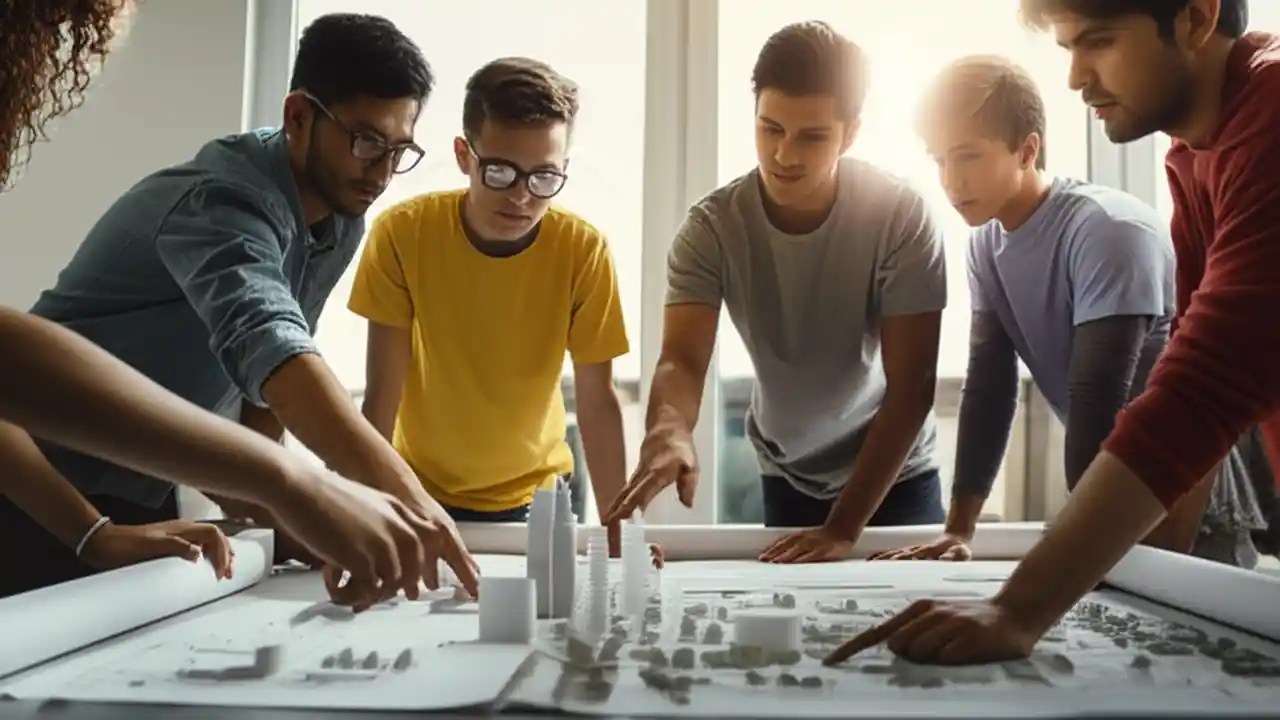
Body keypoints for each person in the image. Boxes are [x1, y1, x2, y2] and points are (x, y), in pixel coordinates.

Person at [825, 0, 1279, 666]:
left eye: (1097, 41)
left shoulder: (1265, 127)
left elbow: (1195, 392)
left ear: (1194, 18)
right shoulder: (1194, 153)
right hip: (1158, 499)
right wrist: (1137, 575)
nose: (1074, 79)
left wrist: (1018, 609)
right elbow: (1191, 384)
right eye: (1067, 47)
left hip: (1174, 498)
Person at [0, 6, 478, 602]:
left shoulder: (339, 215)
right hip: (26, 488)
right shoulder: (221, 200)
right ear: (298, 115)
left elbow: (269, 388)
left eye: (398, 150)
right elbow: (270, 343)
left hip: (137, 490)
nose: (381, 172)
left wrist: (280, 517)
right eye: (364, 141)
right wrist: (396, 500)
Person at [867, 54, 1266, 568]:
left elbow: (1096, 400)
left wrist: (1076, 557)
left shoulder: (1108, 231)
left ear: (1027, 149)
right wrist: (958, 530)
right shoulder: (985, 245)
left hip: (1189, 497)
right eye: (939, 160)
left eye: (967, 157)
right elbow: (989, 387)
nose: (951, 180)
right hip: (1112, 489)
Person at [604, 21, 949, 564]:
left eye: (812, 137)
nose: (785, 154)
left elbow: (913, 390)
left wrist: (842, 529)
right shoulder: (711, 228)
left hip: (895, 472)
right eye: (771, 129)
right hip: (788, 471)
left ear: (850, 133)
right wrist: (671, 428)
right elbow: (683, 358)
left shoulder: (899, 215)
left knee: (901, 626)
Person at [348, 57, 643, 555]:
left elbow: (598, 398)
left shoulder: (582, 249)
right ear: (465, 154)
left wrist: (622, 526)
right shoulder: (402, 234)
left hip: (540, 498)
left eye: (544, 177)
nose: (523, 198)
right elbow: (382, 396)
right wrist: (363, 511)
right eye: (502, 171)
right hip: (420, 490)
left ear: (563, 170)